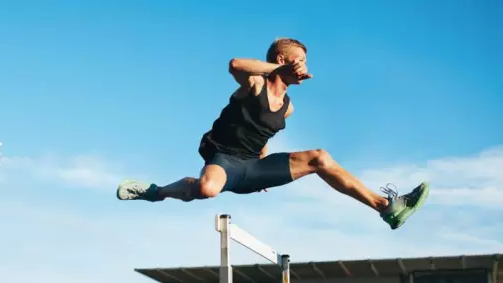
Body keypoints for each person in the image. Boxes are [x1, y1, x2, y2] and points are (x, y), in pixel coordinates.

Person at [116, 38, 429, 230]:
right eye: (301, 61)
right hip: (224, 160)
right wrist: (276, 71)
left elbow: (263, 135)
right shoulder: (255, 84)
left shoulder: (288, 108)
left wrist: (264, 169)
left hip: (254, 167)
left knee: (320, 158)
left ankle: (385, 207)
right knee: (207, 189)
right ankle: (155, 192)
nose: (306, 68)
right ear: (282, 61)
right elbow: (235, 64)